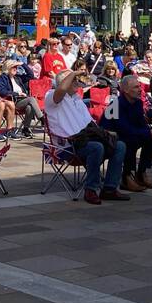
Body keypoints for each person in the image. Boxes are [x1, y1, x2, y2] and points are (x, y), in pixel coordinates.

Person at [43, 69, 127, 205]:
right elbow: (60, 90)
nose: (77, 81)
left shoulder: (77, 99)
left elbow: (90, 125)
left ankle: (109, 188)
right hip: (66, 146)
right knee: (97, 147)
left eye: (76, 79)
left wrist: (104, 133)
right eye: (73, 79)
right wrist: (73, 73)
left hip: (86, 140)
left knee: (120, 145)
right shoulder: (52, 96)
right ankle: (91, 189)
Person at [109, 75, 152, 192]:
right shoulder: (115, 104)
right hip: (112, 136)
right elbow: (121, 128)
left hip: (128, 133)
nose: (140, 89)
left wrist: (151, 132)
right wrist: (146, 132)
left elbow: (140, 123)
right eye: (136, 87)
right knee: (130, 141)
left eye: (139, 86)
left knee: (149, 138)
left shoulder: (137, 103)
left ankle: (141, 173)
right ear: (125, 90)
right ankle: (126, 177)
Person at [0, 58, 40, 139]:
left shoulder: (18, 78)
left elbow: (31, 75)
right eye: (13, 67)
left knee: (29, 107)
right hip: (11, 101)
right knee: (31, 99)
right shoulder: (3, 78)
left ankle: (25, 129)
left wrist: (22, 64)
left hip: (21, 101)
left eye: (16, 67)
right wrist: (17, 93)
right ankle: (41, 118)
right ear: (8, 68)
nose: (15, 69)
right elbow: (2, 91)